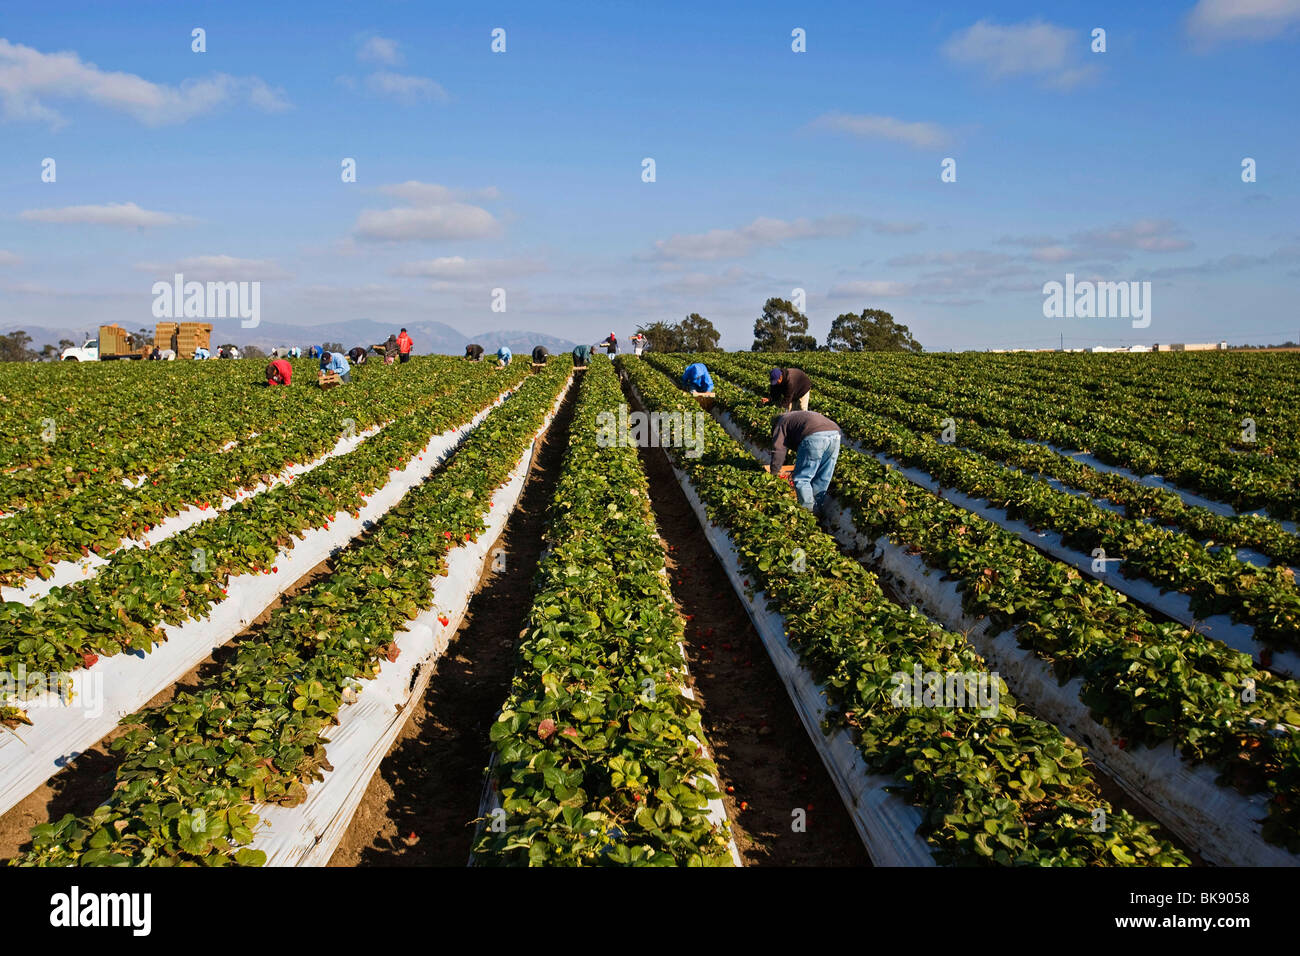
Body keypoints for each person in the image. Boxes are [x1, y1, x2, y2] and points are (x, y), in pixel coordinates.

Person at [770, 410, 842, 513]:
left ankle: (807, 513)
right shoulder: (795, 417)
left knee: (802, 478)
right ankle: (817, 510)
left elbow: (779, 450)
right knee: (823, 476)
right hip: (835, 434)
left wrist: (774, 472)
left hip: (815, 436)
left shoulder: (781, 423)